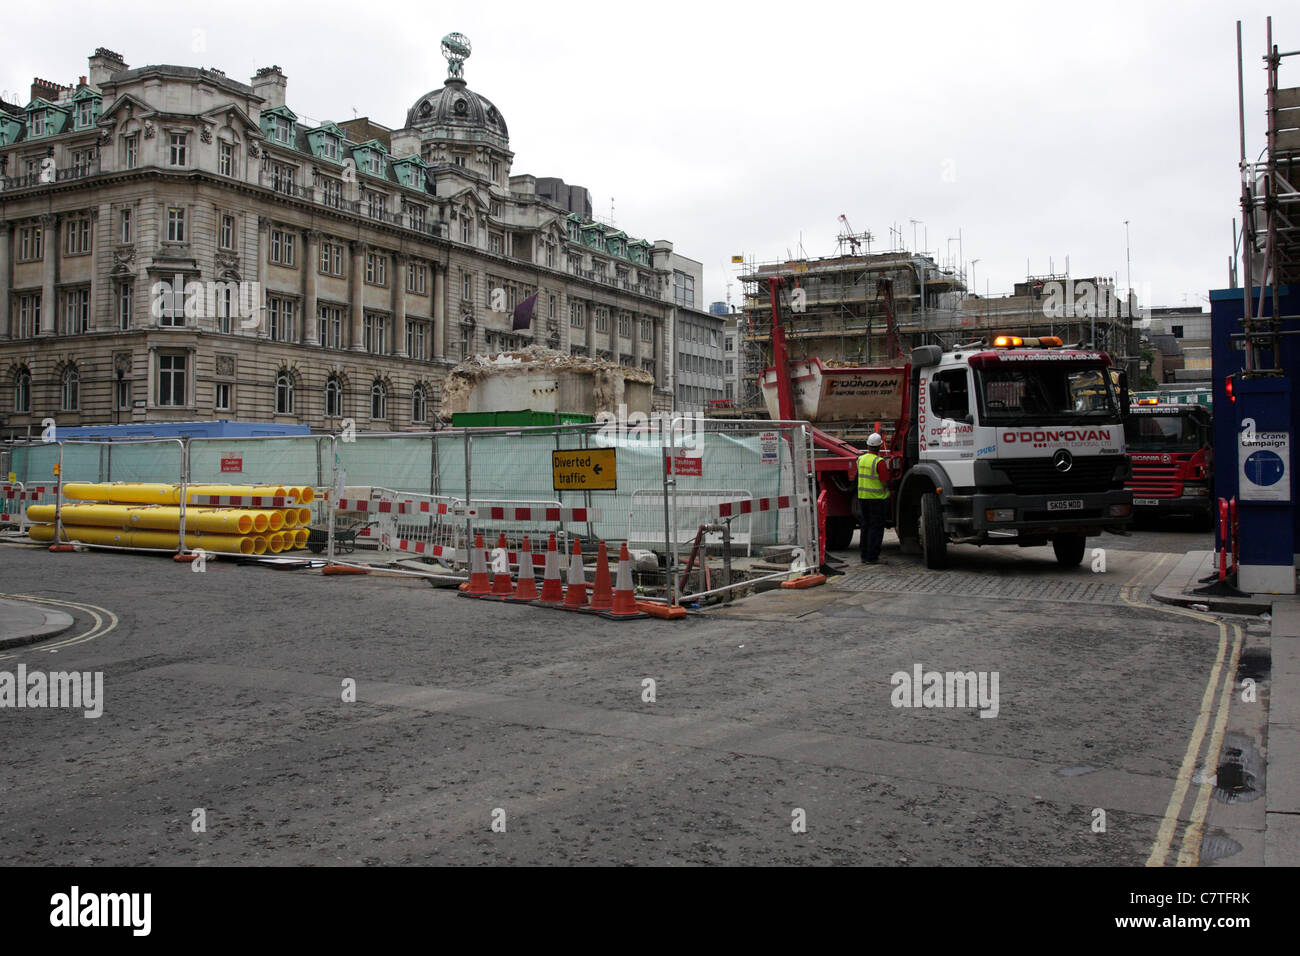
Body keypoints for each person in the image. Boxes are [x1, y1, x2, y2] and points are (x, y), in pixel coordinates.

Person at [855, 433, 890, 564]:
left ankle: (864, 555)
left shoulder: (860, 459)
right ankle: (872, 556)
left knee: (865, 526)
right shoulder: (879, 462)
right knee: (876, 528)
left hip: (863, 497)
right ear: (880, 446)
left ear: (868, 445)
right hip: (877, 499)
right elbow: (885, 481)